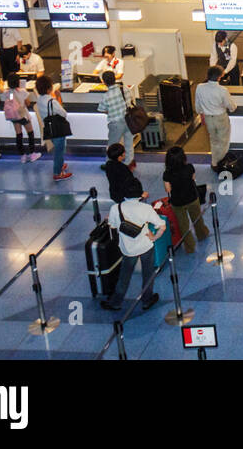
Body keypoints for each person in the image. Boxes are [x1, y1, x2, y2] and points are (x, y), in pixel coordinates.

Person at [101, 165, 164, 313]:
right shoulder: (146, 209)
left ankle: (116, 302)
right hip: (146, 246)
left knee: (125, 276)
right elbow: (162, 226)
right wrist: (154, 237)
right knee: (148, 273)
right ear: (140, 193)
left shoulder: (116, 209)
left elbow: (113, 225)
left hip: (128, 248)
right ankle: (147, 299)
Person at [162, 146, 210, 253]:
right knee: (197, 218)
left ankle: (190, 247)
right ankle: (202, 234)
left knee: (183, 225)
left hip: (177, 202)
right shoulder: (189, 167)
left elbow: (168, 190)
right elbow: (193, 179)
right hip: (192, 198)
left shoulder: (167, 174)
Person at [194, 65, 237, 172]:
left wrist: (201, 113)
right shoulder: (222, 90)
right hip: (221, 118)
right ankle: (220, 163)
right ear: (219, 77)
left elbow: (197, 106)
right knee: (223, 142)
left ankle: (214, 162)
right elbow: (231, 106)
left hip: (208, 118)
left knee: (213, 141)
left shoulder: (199, 87)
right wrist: (233, 108)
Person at [35, 75, 72, 181]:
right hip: (58, 129)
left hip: (49, 128)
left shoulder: (39, 99)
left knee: (58, 149)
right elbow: (63, 113)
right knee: (59, 151)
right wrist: (58, 97)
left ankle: (60, 166)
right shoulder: (52, 101)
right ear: (49, 88)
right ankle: (57, 173)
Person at [98, 70, 135, 163]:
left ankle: (110, 164)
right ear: (115, 79)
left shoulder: (106, 96)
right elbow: (130, 100)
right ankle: (129, 163)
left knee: (112, 146)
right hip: (128, 120)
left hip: (116, 123)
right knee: (129, 143)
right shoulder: (124, 88)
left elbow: (102, 109)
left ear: (104, 82)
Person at [2, 72, 40, 162]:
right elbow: (27, 103)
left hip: (14, 116)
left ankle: (22, 155)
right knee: (30, 133)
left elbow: (11, 102)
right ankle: (32, 153)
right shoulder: (22, 91)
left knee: (19, 135)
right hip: (23, 115)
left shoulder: (8, 92)